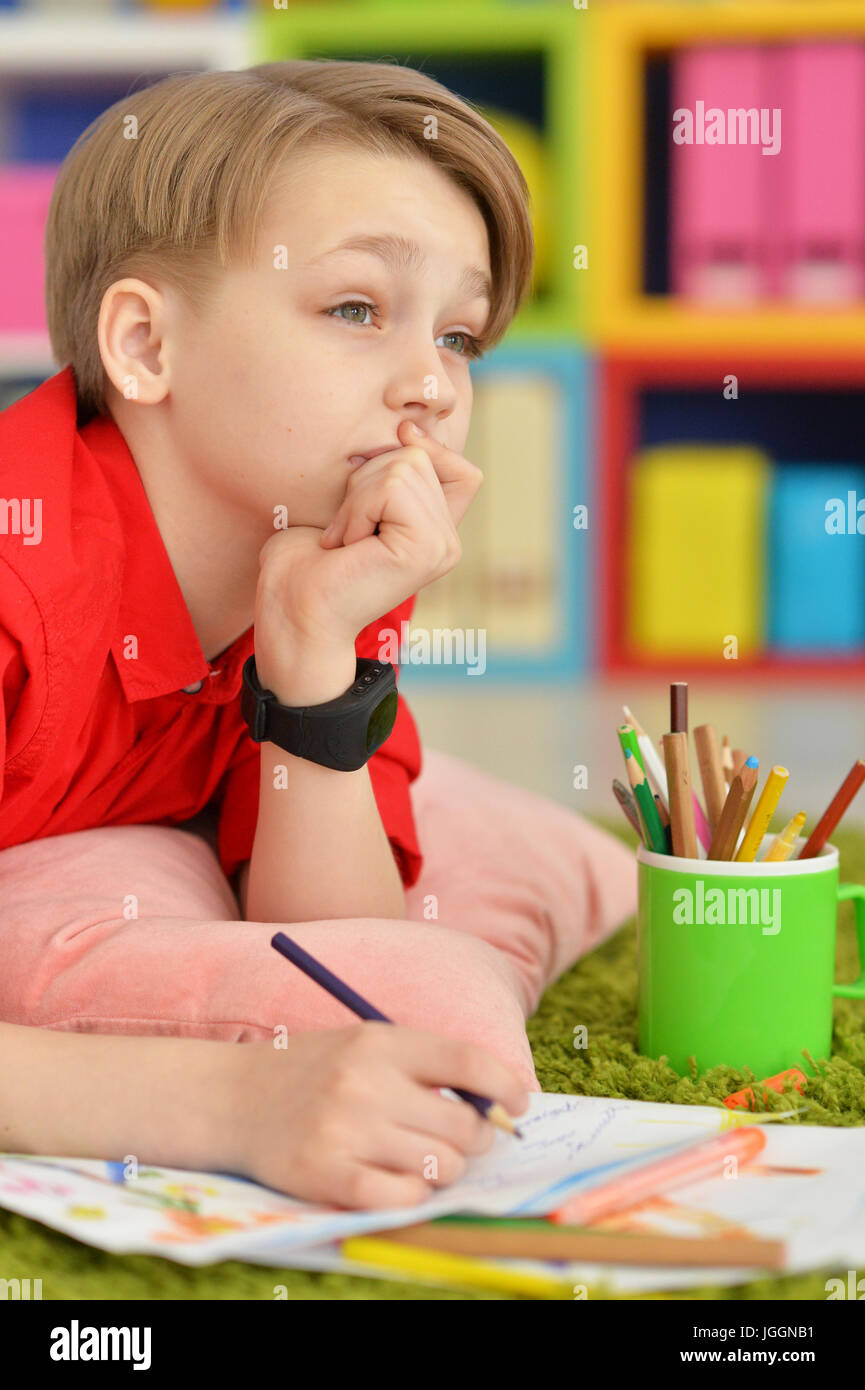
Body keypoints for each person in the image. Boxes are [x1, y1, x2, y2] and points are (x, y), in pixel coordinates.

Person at [0, 61, 636, 1209]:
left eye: (459, 335)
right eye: (355, 309)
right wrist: (228, 1100)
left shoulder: (328, 563)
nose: (433, 385)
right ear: (144, 345)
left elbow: (340, 955)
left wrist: (309, 670)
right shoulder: (18, 584)